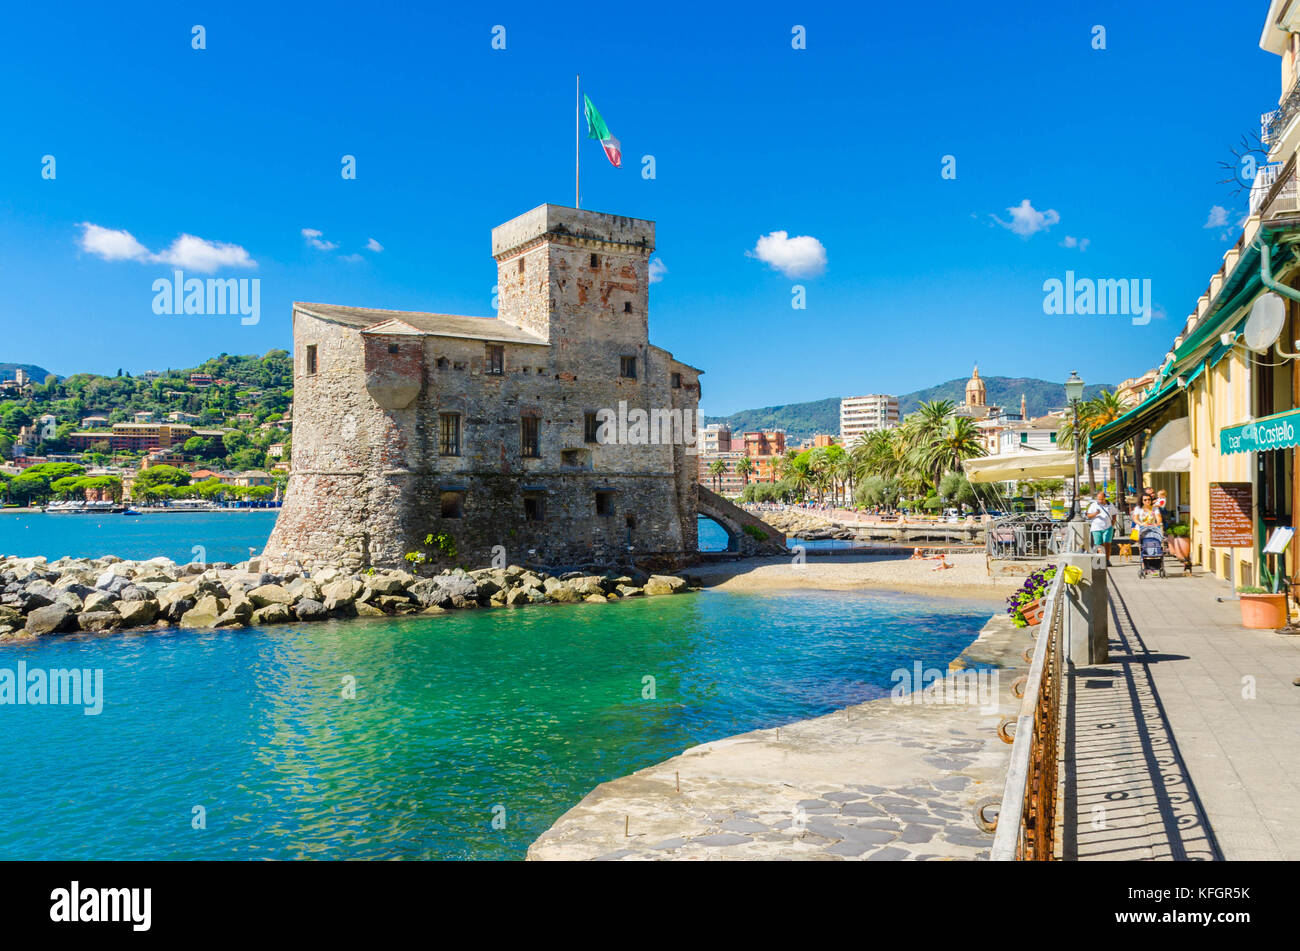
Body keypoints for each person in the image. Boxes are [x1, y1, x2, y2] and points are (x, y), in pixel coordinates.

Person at [1086, 491, 1115, 565]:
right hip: (1096, 528)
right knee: (1099, 544)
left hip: (1108, 527)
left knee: (1107, 543)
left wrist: (1113, 523)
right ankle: (1102, 559)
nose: (1100, 500)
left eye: (1102, 499)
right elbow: (1088, 515)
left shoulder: (1110, 505)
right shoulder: (1093, 505)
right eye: (1099, 499)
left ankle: (1107, 560)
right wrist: (1095, 513)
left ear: (1105, 498)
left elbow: (1114, 514)